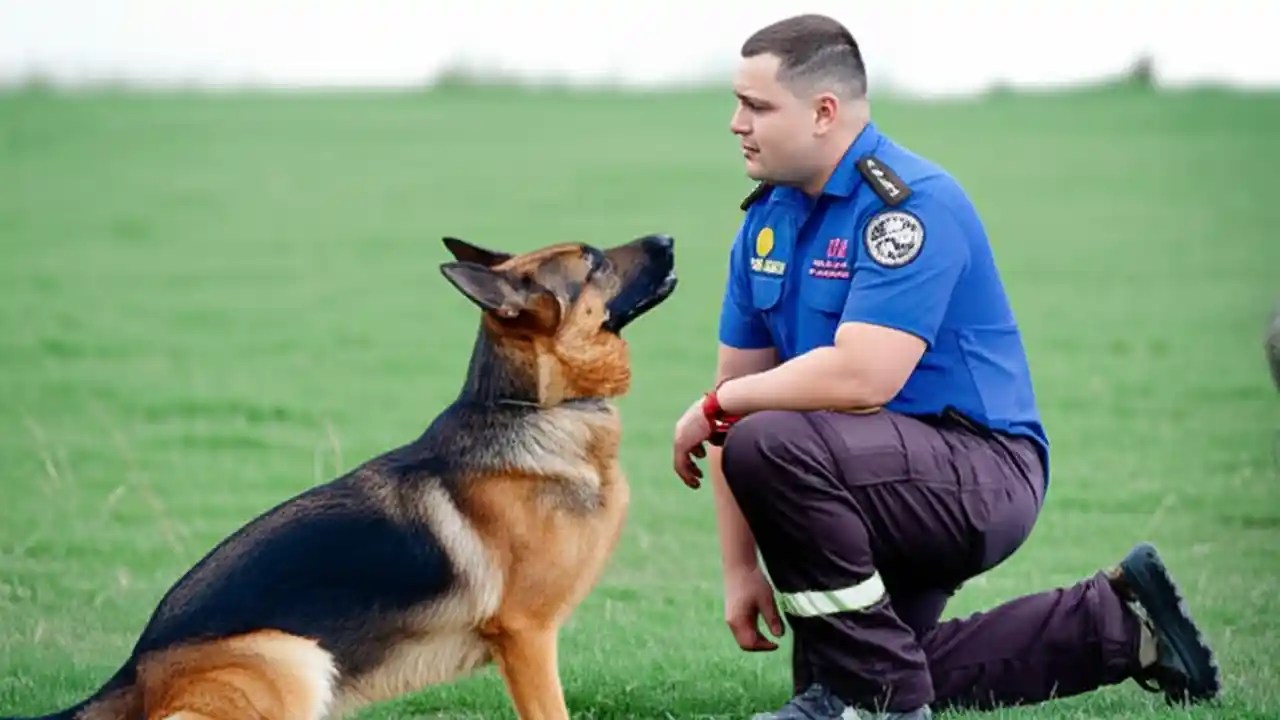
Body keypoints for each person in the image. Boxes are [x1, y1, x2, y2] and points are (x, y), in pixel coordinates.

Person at [670, 13, 1221, 720]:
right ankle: (1117, 625)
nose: (735, 123)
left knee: (771, 444)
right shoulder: (765, 225)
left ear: (824, 112)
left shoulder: (911, 205)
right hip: (857, 479)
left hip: (976, 471)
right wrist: (739, 568)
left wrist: (717, 408)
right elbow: (735, 394)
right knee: (850, 665)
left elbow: (860, 378)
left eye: (756, 105)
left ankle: (881, 706)